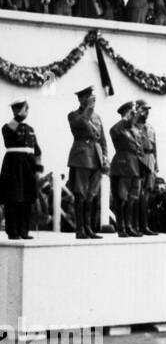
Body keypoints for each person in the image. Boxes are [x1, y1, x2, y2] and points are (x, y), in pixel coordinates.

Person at [66, 85, 107, 239]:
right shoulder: (73, 115)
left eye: (91, 96)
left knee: (91, 195)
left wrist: (105, 158)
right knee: (80, 194)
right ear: (80, 99)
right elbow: (82, 124)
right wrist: (88, 108)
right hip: (81, 156)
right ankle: (80, 229)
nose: (90, 99)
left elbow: (102, 139)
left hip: (95, 157)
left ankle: (89, 228)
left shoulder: (97, 117)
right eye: (87, 97)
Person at [1, 101, 41, 239]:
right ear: (15, 110)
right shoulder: (7, 127)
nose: (26, 111)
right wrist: (18, 116)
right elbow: (14, 130)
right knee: (13, 198)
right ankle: (13, 231)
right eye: (24, 108)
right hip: (13, 165)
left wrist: (38, 169)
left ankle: (23, 231)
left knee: (27, 199)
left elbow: (37, 150)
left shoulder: (30, 128)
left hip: (28, 166)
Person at [108, 101, 143, 237]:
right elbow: (113, 132)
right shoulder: (118, 128)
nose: (134, 114)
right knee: (121, 198)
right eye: (131, 112)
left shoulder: (133, 130)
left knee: (132, 198)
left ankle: (129, 226)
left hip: (134, 166)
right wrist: (124, 118)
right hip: (123, 166)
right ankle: (121, 227)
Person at [134, 101, 158, 235]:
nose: (146, 112)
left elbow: (155, 147)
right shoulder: (133, 126)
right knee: (137, 194)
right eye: (144, 109)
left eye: (148, 110)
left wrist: (156, 164)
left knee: (147, 194)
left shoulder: (150, 128)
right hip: (139, 159)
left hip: (150, 160)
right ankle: (137, 225)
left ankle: (145, 225)